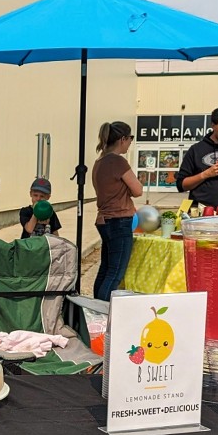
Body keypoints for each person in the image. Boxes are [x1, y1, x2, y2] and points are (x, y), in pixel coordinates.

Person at [91, 121, 142, 301]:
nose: (130, 144)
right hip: (119, 220)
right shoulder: (118, 161)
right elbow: (138, 190)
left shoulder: (99, 162)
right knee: (115, 273)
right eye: (130, 139)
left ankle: (95, 308)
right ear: (123, 139)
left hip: (104, 220)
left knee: (106, 268)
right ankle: (103, 313)